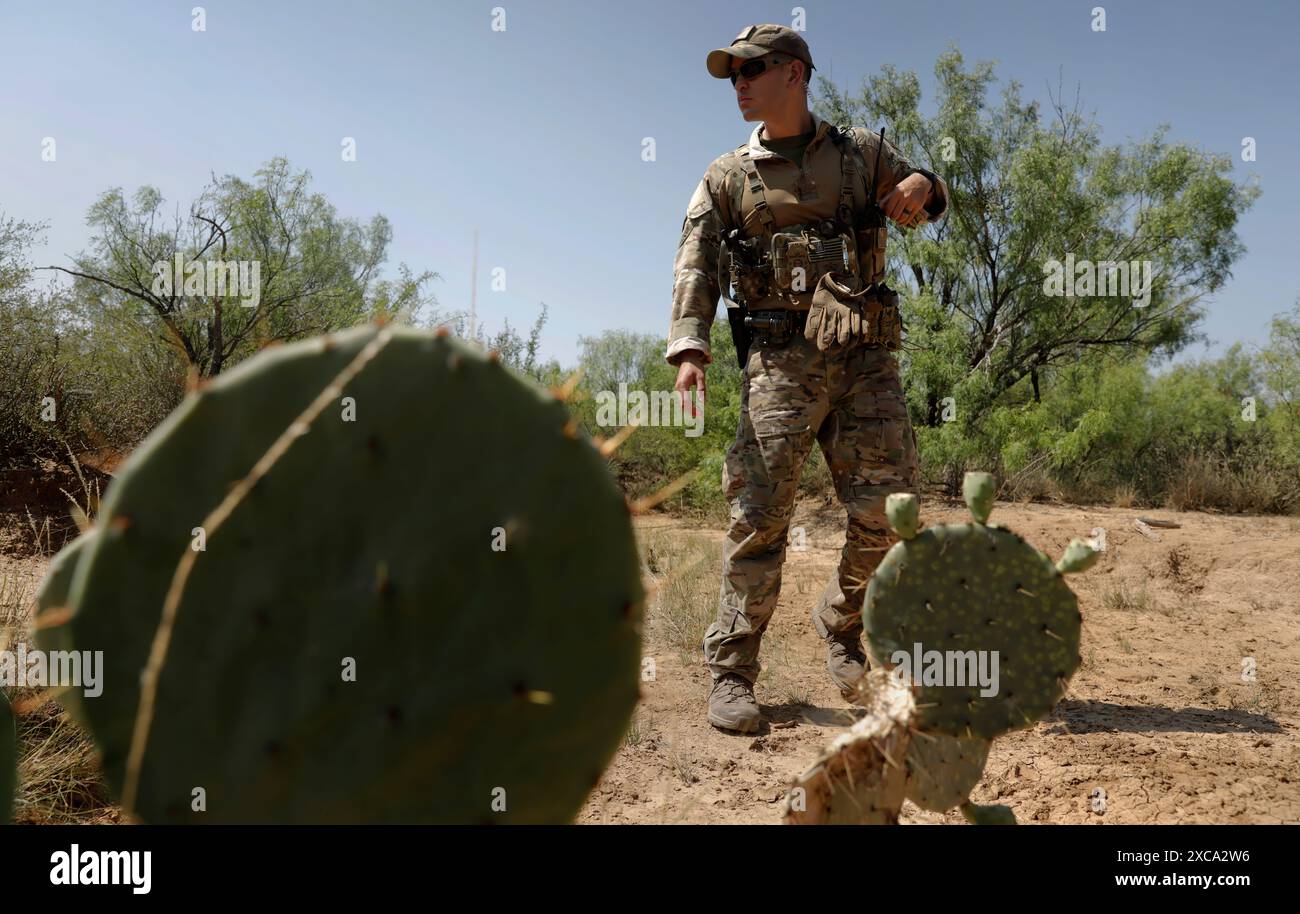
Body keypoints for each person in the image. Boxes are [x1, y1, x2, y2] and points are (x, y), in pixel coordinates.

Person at [665, 24, 950, 733]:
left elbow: (928, 197)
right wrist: (689, 348)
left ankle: (841, 621)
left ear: (794, 73)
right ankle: (732, 674)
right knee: (759, 516)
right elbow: (695, 263)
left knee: (889, 509)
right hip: (778, 365)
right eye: (732, 73)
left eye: (752, 70)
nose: (739, 83)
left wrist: (925, 184)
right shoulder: (728, 176)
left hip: (865, 359)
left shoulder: (860, 155)